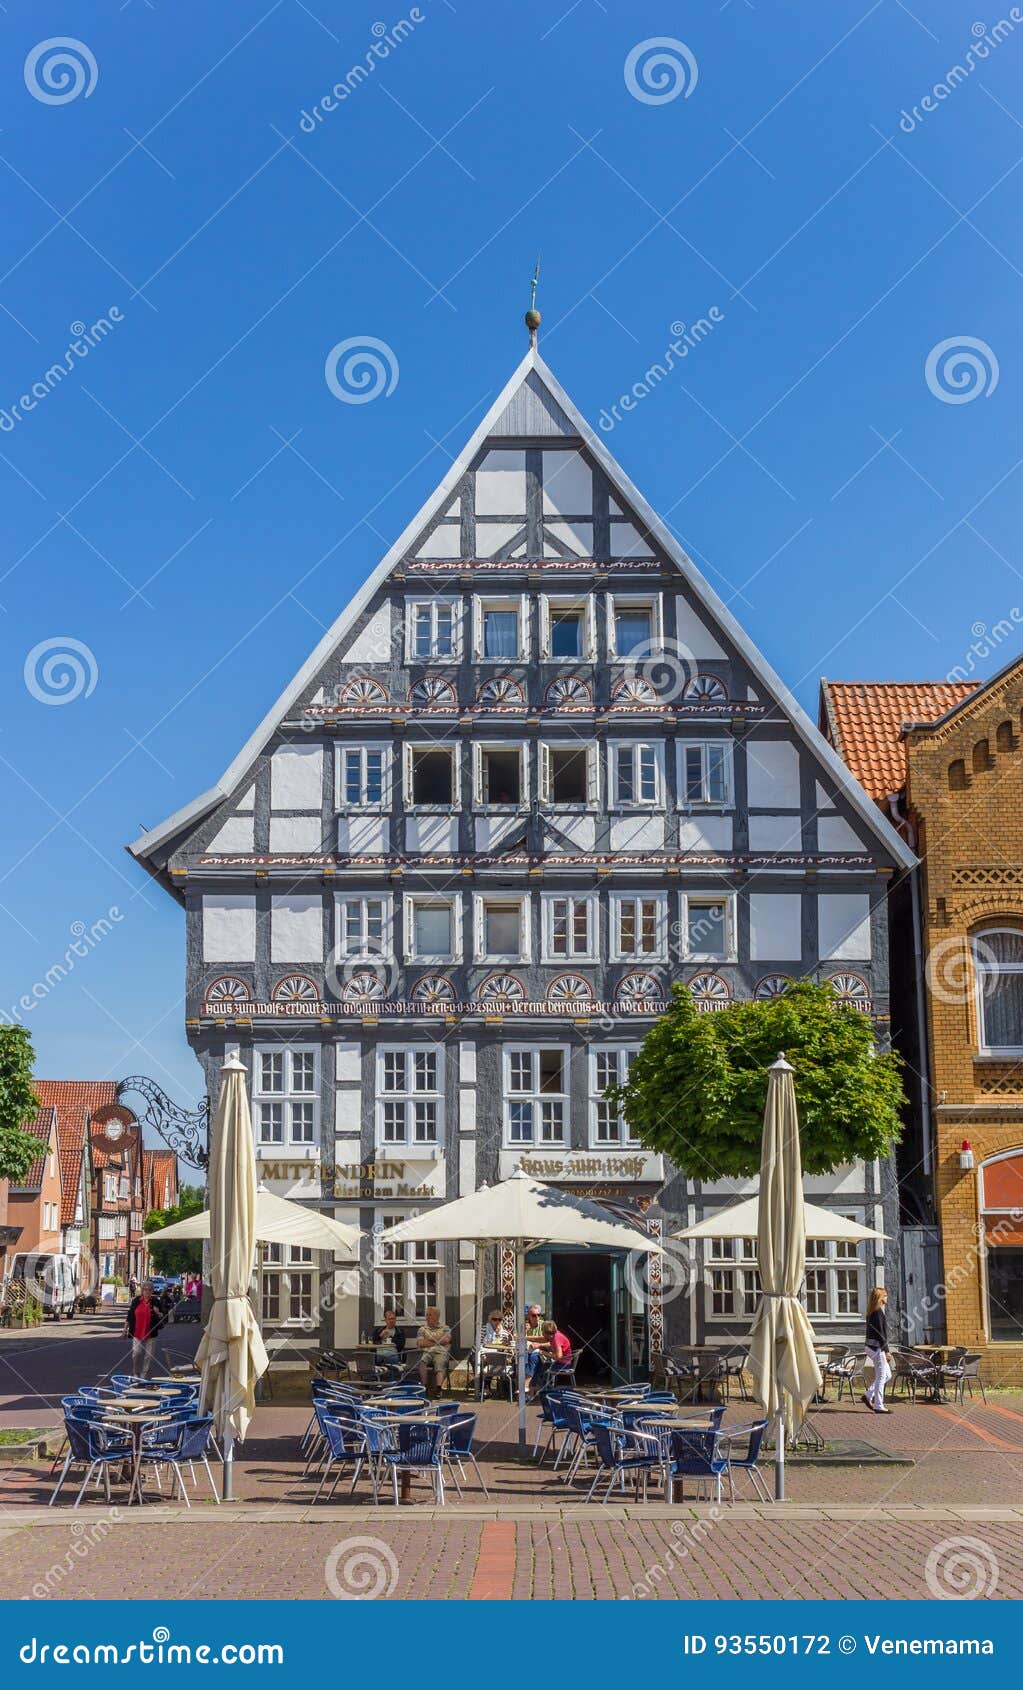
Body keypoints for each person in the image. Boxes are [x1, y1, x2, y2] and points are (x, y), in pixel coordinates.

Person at [123, 1280, 163, 1378]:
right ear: (142, 1290)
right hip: (137, 1331)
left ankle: (144, 1374)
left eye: (150, 1290)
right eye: (145, 1290)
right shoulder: (136, 1301)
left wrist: (158, 1313)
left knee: (149, 1355)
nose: (147, 1292)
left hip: (151, 1332)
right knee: (136, 1353)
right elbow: (130, 1315)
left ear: (152, 1291)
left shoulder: (156, 1302)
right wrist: (125, 1329)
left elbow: (164, 1316)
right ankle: (135, 1372)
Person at [864, 1286, 893, 1413]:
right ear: (880, 1298)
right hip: (877, 1348)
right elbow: (881, 1334)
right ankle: (878, 1405)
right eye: (885, 1295)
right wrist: (886, 1350)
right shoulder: (877, 1313)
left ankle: (868, 1395)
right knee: (881, 1376)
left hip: (872, 1347)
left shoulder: (873, 1312)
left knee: (887, 1374)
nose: (887, 1297)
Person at [416, 1307, 452, 1390]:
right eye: (427, 1315)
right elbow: (420, 1343)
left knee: (440, 1363)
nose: (427, 1317)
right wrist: (439, 1339)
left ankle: (439, 1388)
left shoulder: (445, 1328)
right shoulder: (422, 1329)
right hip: (427, 1352)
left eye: (430, 1315)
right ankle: (424, 1386)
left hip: (441, 1352)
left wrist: (429, 1339)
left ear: (437, 1316)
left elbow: (447, 1340)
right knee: (422, 1361)